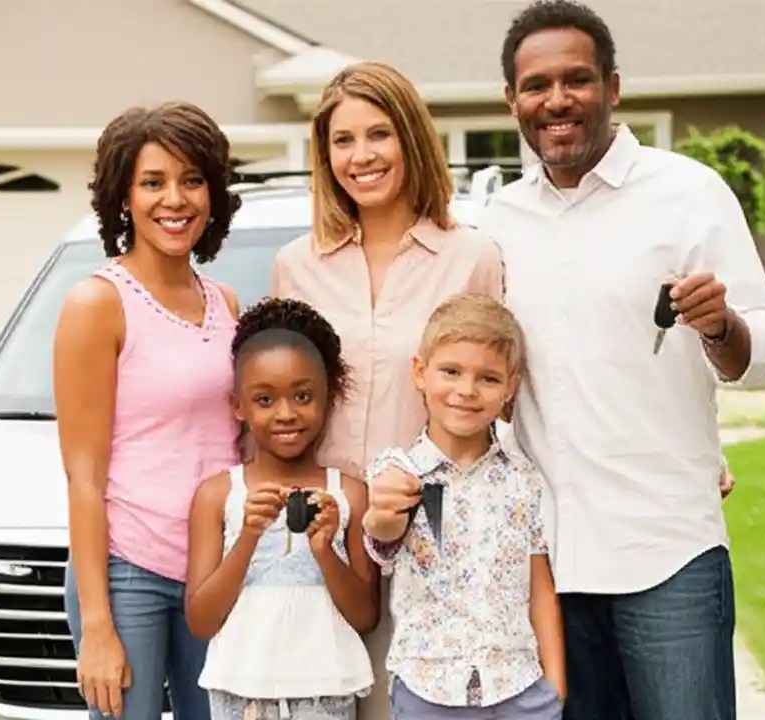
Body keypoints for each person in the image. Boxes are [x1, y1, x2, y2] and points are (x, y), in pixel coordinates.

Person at [478, 2, 765, 719]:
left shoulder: (687, 194)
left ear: (613, 87)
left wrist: (721, 329)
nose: (556, 100)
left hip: (666, 551)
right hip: (546, 561)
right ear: (512, 101)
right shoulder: (496, 226)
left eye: (577, 80)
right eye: (537, 85)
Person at [267, 61, 506, 718]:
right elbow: (275, 408)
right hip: (327, 530)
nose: (361, 156)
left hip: (438, 530)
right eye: (343, 140)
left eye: (379, 134)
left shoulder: (473, 257)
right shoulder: (295, 266)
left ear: (411, 139)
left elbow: (504, 398)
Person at [54, 101, 243, 720]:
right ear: (124, 197)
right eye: (153, 182)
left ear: (213, 192)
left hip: (212, 572)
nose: (176, 199)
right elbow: (83, 476)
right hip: (128, 571)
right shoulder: (97, 305)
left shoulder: (226, 303)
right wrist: (98, 624)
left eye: (192, 180)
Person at [361, 294, 564, 719]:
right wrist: (381, 516)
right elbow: (381, 535)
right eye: (451, 371)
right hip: (428, 689)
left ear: (510, 387)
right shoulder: (398, 470)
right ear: (420, 372)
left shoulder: (523, 478)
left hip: (519, 687)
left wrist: (555, 689)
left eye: (488, 378)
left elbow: (540, 588)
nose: (466, 390)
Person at [185, 297, 378, 719]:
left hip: (325, 691)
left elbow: (365, 616)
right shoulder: (218, 495)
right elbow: (200, 620)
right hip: (241, 692)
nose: (287, 414)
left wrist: (325, 549)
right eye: (265, 400)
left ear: (328, 398)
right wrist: (249, 537)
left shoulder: (350, 495)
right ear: (238, 406)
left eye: (303, 396)